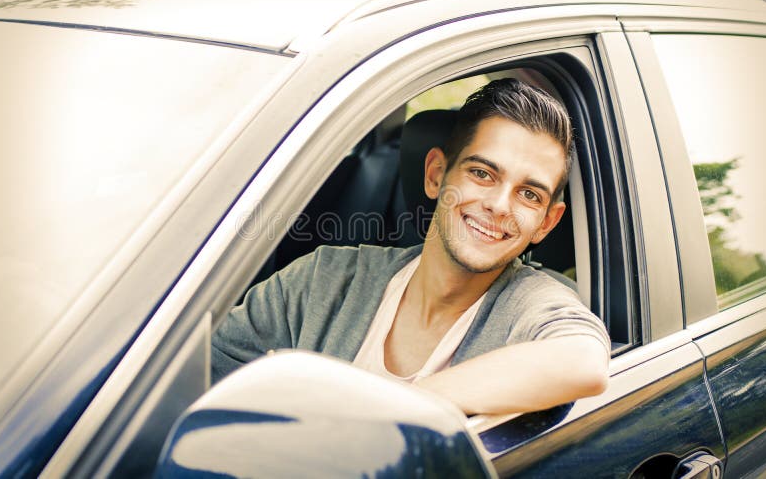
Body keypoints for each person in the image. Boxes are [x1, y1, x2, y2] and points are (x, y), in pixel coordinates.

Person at [212, 78, 610, 415]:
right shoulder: (324, 279)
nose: (499, 205)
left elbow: (583, 360)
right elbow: (193, 370)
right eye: (482, 173)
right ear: (437, 175)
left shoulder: (532, 303)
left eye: (529, 194)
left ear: (547, 222)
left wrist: (391, 412)